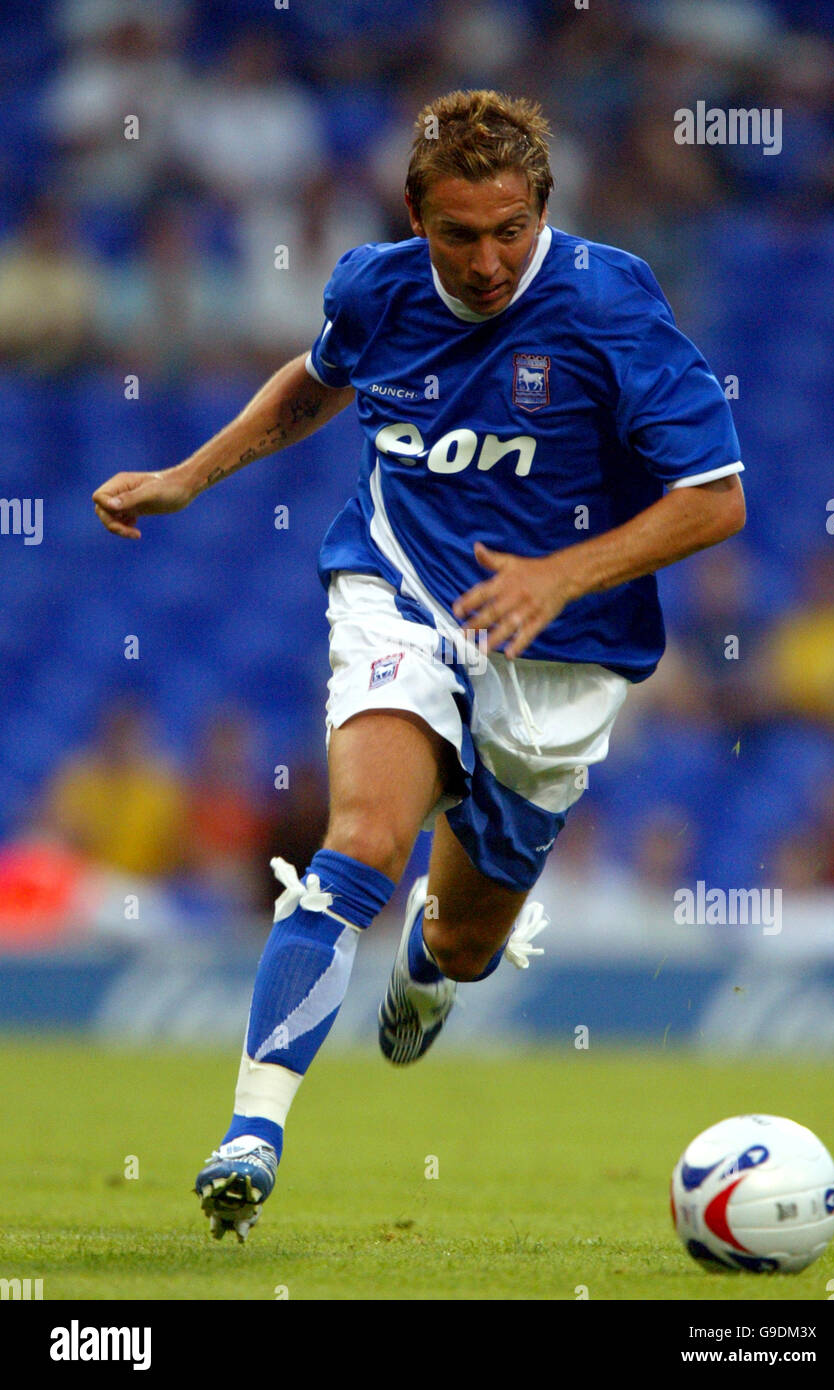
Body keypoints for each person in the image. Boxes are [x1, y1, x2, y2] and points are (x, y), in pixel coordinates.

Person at [93, 90, 746, 1242]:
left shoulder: (611, 303)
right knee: (360, 841)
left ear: (542, 207)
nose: (487, 261)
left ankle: (430, 961)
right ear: (413, 213)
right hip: (398, 585)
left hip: (563, 646)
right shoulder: (371, 286)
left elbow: (715, 500)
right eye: (458, 234)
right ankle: (251, 1131)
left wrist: (561, 574)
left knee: (466, 937)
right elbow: (316, 377)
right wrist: (188, 476)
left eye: (508, 231)